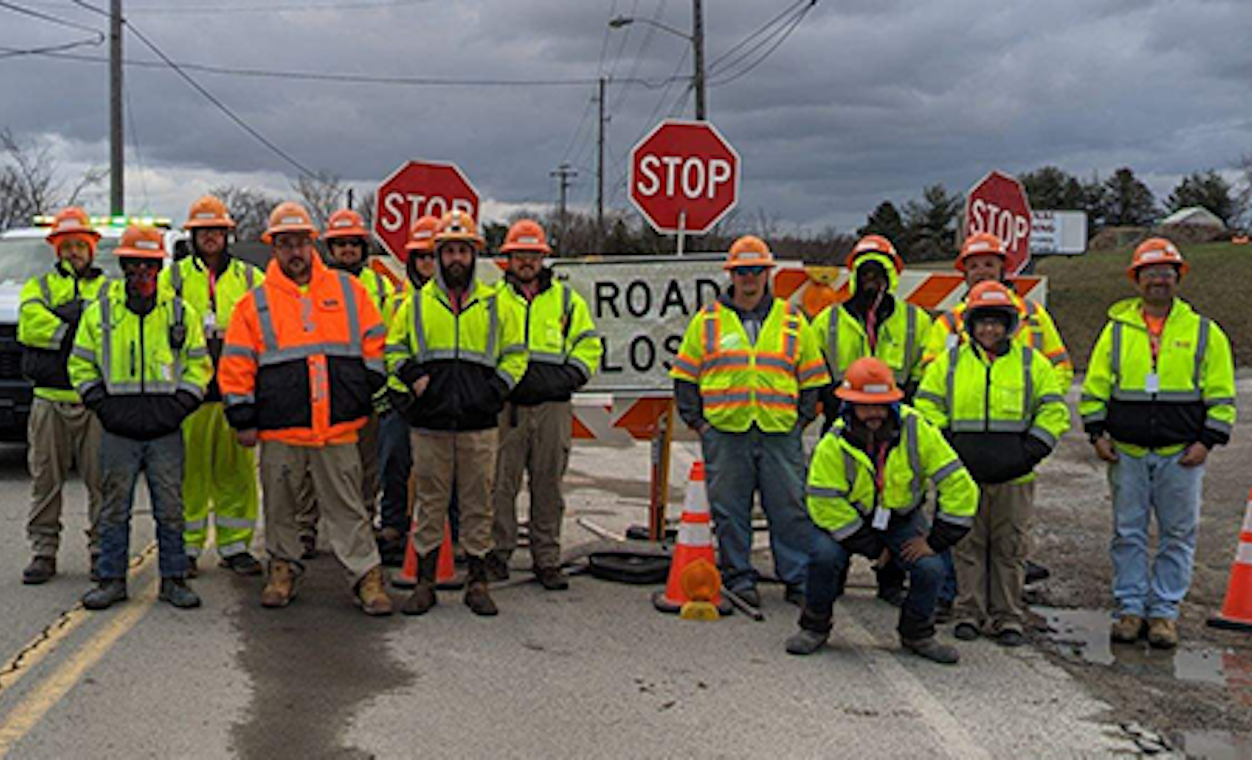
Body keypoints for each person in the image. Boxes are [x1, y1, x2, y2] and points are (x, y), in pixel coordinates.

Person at [218, 202, 393, 616]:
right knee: (281, 507)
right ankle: (282, 569)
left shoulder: (349, 292)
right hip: (281, 428)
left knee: (348, 506)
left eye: (300, 243)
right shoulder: (254, 304)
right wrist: (242, 416)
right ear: (273, 248)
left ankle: (366, 577)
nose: (294, 252)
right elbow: (236, 364)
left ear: (313, 244)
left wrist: (365, 386)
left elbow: (375, 342)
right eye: (285, 244)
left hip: (337, 427)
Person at [1080, 238, 1235, 649]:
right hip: (1127, 453)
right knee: (1127, 533)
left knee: (1178, 535)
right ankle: (1130, 610)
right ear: (1137, 280)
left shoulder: (1204, 332)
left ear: (1178, 278)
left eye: (1166, 273)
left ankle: (1164, 614)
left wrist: (1207, 442)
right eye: (1150, 274)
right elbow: (1095, 389)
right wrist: (1097, 435)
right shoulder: (1114, 332)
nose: (1158, 281)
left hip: (1181, 455)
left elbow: (1222, 396)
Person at [670, 235, 830, 608]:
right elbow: (685, 376)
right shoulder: (708, 320)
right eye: (742, 271)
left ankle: (797, 577)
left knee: (789, 507)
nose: (749, 278)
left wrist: (799, 421)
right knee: (730, 509)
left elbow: (813, 379)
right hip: (726, 431)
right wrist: (700, 424)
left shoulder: (791, 319)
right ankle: (739, 577)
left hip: (778, 431)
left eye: (756, 271)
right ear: (731, 275)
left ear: (767, 274)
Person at [785, 357, 979, 664]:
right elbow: (824, 501)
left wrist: (935, 540)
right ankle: (814, 626)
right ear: (850, 406)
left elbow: (958, 483)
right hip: (849, 520)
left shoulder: (918, 429)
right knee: (824, 557)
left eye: (880, 405)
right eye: (865, 406)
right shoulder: (833, 443)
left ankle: (918, 633)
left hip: (902, 518)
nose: (873, 413)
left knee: (930, 568)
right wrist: (874, 549)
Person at [386, 210, 527, 617]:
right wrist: (413, 378)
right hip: (430, 423)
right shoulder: (414, 304)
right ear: (438, 254)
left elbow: (516, 354)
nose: (456, 259)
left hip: (478, 423)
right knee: (429, 504)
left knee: (478, 503)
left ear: (474, 255)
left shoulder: (497, 305)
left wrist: (495, 390)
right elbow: (394, 350)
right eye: (449, 251)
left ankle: (477, 583)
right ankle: (426, 582)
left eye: (464, 250)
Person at [914, 281, 1070, 646]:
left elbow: (1053, 410)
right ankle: (968, 612)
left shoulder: (1033, 364)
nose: (989, 329)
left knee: (1010, 548)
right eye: (982, 322)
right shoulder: (948, 365)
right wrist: (947, 449)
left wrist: (1032, 449)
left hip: (1015, 475)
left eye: (997, 322)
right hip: (963, 477)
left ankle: (1007, 617)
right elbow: (926, 406)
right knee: (967, 546)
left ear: (1010, 325)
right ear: (970, 325)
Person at [69, 225, 211, 610]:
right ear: (124, 267)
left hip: (166, 430)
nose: (141, 274)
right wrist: (101, 403)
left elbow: (199, 366)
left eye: (149, 266)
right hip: (118, 429)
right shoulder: (100, 314)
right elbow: (80, 365)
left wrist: (181, 404)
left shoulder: (181, 313)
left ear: (159, 268)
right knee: (114, 508)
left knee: (170, 508)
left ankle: (174, 579)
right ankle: (112, 580)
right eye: (134, 266)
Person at [810, 234, 933, 607]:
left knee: (899, 500)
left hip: (897, 429)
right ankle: (832, 579)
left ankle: (891, 579)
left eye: (880, 272)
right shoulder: (828, 321)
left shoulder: (916, 321)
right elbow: (812, 372)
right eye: (865, 271)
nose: (872, 280)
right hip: (843, 430)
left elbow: (928, 371)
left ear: (892, 275)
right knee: (837, 501)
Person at [487, 219, 602, 589]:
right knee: (501, 484)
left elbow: (589, 345)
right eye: (519, 254)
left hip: (552, 407)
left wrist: (567, 379)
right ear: (507, 258)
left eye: (532, 254)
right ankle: (498, 553)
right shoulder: (492, 300)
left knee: (548, 484)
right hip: (507, 408)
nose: (526, 261)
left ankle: (547, 558)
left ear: (543, 258)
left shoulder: (567, 299)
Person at [161, 195, 264, 577]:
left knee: (236, 473)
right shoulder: (171, 278)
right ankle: (186, 550)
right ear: (192, 234)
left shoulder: (252, 278)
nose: (210, 237)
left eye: (216, 231)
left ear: (227, 234)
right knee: (189, 475)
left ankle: (235, 547)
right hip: (190, 395)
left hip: (237, 395)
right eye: (203, 231)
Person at [298, 208, 396, 557]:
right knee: (311, 467)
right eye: (340, 244)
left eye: (354, 244)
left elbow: (388, 339)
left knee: (366, 467)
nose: (348, 250)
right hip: (322, 392)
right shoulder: (312, 285)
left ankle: (363, 526)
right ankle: (304, 530)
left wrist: (379, 385)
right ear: (330, 248)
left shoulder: (382, 287)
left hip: (365, 391)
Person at [18, 207, 107, 584]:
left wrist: (66, 323)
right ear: (56, 249)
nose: (73, 251)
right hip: (48, 399)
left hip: (93, 400)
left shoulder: (109, 289)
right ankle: (43, 551)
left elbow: (108, 331)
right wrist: (73, 328)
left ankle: (102, 550)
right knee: (44, 481)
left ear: (91, 248)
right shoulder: (36, 286)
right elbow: (29, 327)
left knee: (103, 482)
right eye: (66, 245)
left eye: (79, 245)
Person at [374, 215, 443, 564]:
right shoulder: (396, 300)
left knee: (443, 470)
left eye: (433, 255)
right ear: (411, 261)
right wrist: (395, 392)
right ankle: (393, 525)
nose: (428, 263)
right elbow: (384, 347)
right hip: (400, 398)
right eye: (422, 256)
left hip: (441, 399)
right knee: (394, 462)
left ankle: (447, 533)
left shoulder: (457, 302)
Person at [923, 232, 1073, 388]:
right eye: (974, 266)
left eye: (989, 264)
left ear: (1002, 269)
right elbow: (931, 375)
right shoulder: (949, 322)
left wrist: (1042, 401)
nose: (982, 271)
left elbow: (1060, 367)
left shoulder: (1033, 314)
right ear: (965, 273)